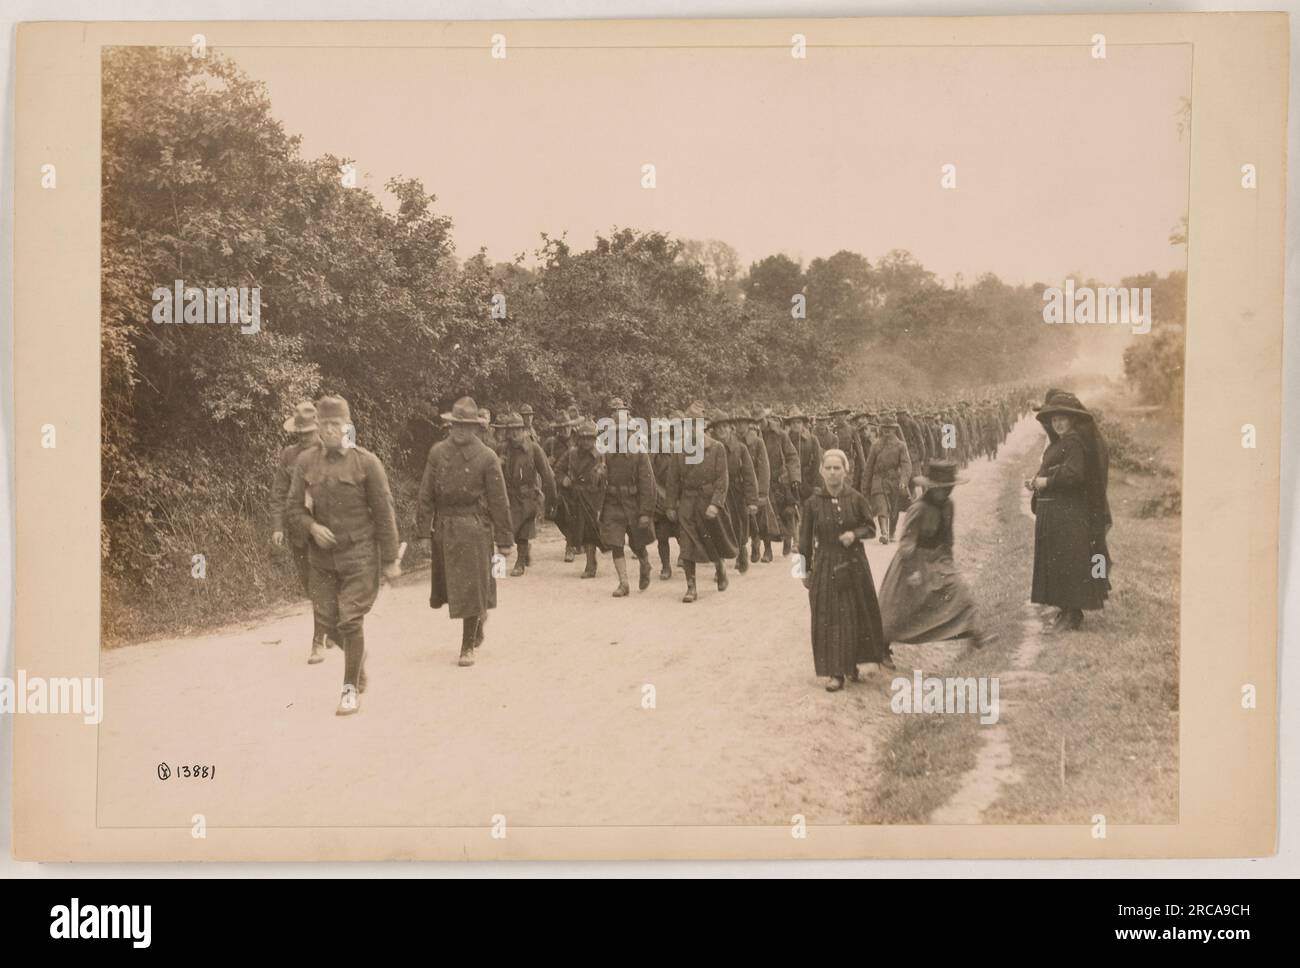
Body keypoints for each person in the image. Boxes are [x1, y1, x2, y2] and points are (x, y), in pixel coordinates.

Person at [287, 395, 401, 715]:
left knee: (350, 620)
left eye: (335, 424)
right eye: (323, 425)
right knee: (326, 620)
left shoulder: (366, 463)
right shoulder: (307, 462)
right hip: (321, 559)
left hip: (360, 555)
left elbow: (384, 512)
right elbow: (293, 508)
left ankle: (349, 689)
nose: (328, 430)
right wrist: (311, 528)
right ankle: (357, 656)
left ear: (348, 426)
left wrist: (391, 559)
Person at [416, 396, 514, 667]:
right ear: (451, 425)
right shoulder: (437, 453)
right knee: (453, 588)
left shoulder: (487, 457)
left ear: (476, 428)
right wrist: (424, 532)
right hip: (445, 529)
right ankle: (477, 622)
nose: (461, 430)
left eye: (467, 425)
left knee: (471, 587)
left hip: (474, 528)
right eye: (457, 424)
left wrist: (505, 539)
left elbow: (499, 500)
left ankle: (466, 646)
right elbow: (426, 493)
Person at [879, 459, 993, 652]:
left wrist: (949, 563)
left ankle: (976, 634)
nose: (945, 492)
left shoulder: (949, 506)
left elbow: (948, 538)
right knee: (898, 610)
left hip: (938, 559)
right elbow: (907, 542)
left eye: (948, 488)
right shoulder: (918, 508)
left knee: (961, 590)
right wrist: (912, 570)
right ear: (930, 487)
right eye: (941, 488)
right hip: (912, 560)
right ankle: (881, 646)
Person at [798, 449, 889, 691]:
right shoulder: (813, 504)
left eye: (837, 468)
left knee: (854, 614)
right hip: (825, 564)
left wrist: (854, 534)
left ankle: (852, 664)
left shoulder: (856, 499)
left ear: (846, 471)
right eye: (827, 468)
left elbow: (871, 528)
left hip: (854, 564)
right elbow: (803, 541)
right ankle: (835, 672)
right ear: (821, 471)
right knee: (830, 617)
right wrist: (803, 572)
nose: (832, 473)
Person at [1028, 392, 1110, 631]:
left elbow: (1074, 474)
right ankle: (1065, 611)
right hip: (1056, 511)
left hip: (1067, 513)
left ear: (1072, 420)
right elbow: (1057, 466)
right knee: (1059, 561)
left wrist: (1047, 481)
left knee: (1068, 562)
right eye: (1054, 420)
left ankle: (1072, 615)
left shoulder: (1073, 441)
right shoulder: (1062, 440)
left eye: (1062, 419)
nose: (1058, 423)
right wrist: (1037, 480)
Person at [271, 400, 332, 664]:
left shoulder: (331, 452)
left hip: (326, 530)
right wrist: (277, 526)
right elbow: (278, 493)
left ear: (318, 429)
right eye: (300, 433)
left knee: (321, 585)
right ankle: (329, 623)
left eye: (309, 432)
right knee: (310, 586)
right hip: (299, 531)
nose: (305, 438)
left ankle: (318, 641)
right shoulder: (288, 456)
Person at [666, 404, 736, 602]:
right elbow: (673, 480)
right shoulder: (680, 450)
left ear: (704, 426)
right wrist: (671, 505)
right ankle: (691, 587)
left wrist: (716, 503)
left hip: (708, 503)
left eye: (696, 424)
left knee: (711, 541)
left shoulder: (716, 448)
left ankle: (720, 568)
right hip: (688, 503)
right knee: (687, 544)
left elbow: (723, 480)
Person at [599, 399, 657, 596]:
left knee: (637, 542)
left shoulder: (639, 452)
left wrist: (645, 513)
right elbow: (599, 478)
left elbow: (648, 484)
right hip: (613, 502)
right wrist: (599, 473)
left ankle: (645, 563)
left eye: (624, 432)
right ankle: (623, 583)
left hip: (633, 503)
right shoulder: (606, 452)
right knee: (615, 543)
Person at [495, 410, 557, 577]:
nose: (514, 433)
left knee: (523, 530)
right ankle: (498, 569)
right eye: (510, 430)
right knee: (502, 530)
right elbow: (490, 473)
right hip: (507, 495)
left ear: (524, 430)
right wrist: (498, 464)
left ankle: (520, 562)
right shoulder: (502, 449)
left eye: (517, 429)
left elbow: (547, 475)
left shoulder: (533, 449)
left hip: (527, 496)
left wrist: (551, 500)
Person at [554, 419, 608, 578]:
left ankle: (591, 563)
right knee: (577, 529)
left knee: (590, 531)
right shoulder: (571, 453)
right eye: (583, 438)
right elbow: (557, 470)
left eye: (590, 438)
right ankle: (573, 550)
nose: (586, 441)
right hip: (574, 497)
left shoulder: (601, 456)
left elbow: (606, 478)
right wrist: (563, 480)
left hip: (593, 497)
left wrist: (601, 474)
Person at [710, 411, 758, 575]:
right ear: (714, 430)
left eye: (724, 426)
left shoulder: (740, 449)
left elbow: (749, 475)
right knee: (718, 526)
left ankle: (742, 551)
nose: (722, 430)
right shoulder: (711, 448)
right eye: (718, 427)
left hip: (736, 493)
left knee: (738, 525)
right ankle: (720, 565)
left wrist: (752, 500)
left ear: (731, 428)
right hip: (717, 494)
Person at [860, 416, 914, 543]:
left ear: (894, 430)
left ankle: (892, 532)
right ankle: (884, 532)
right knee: (881, 506)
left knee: (894, 509)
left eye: (890, 428)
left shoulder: (901, 446)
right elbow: (869, 467)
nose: (887, 431)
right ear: (881, 429)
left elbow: (906, 465)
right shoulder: (876, 445)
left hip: (894, 480)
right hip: (878, 479)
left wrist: (903, 481)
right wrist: (865, 486)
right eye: (884, 428)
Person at [761, 408, 801, 558]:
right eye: (755, 421)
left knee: (787, 512)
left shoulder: (780, 435)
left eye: (761, 420)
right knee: (765, 515)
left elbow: (792, 456)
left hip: (781, 480)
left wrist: (795, 477)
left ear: (766, 419)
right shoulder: (752, 437)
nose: (759, 425)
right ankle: (767, 549)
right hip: (763, 481)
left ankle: (788, 538)